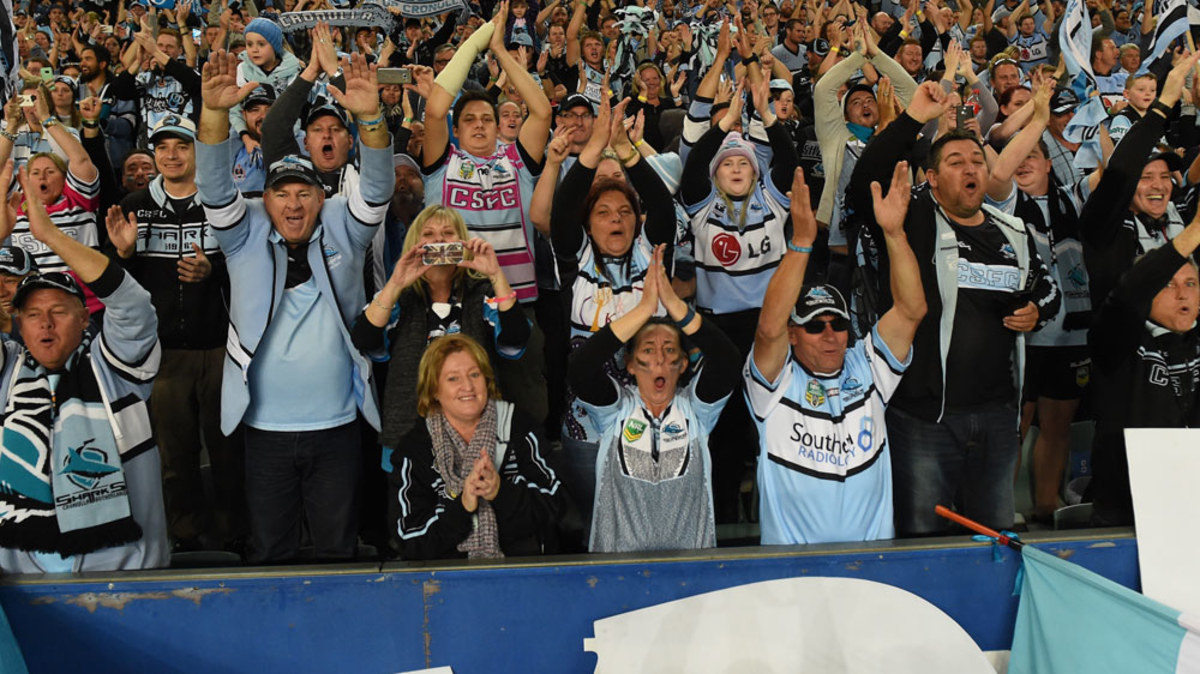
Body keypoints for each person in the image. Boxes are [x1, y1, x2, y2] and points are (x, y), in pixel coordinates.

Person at [195, 50, 394, 563]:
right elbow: (214, 186)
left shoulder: (342, 225)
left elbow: (377, 187)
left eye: (303, 192)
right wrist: (214, 115)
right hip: (265, 432)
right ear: (264, 199)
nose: (292, 204)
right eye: (280, 193)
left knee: (338, 551)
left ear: (320, 197)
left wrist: (371, 120)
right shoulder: (244, 233)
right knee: (271, 554)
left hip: (338, 427)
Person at [847, 81, 1061, 537]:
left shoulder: (1013, 231)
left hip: (997, 417)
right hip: (924, 419)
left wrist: (1036, 311)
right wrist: (912, 119)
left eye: (977, 161)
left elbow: (1049, 291)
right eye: (955, 162)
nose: (970, 169)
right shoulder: (916, 217)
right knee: (923, 543)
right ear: (931, 177)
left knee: (994, 540)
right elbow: (868, 182)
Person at [0, 163, 167, 573]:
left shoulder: (115, 368)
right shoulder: (6, 372)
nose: (45, 323)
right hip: (23, 582)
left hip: (123, 575)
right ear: (19, 322)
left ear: (83, 318)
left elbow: (132, 305)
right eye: (32, 314)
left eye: (58, 311)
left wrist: (50, 236)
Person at [749, 164, 925, 545]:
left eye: (838, 324)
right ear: (793, 334)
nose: (829, 335)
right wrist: (801, 243)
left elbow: (911, 311)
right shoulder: (774, 382)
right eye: (815, 326)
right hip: (794, 571)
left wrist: (895, 234)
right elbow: (768, 328)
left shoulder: (867, 367)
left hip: (870, 566)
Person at [106, 115, 243, 554]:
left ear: (197, 151)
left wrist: (212, 271)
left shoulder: (222, 201)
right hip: (162, 352)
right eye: (162, 147)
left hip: (219, 347)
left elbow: (249, 265)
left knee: (227, 448)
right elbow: (116, 285)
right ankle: (184, 535)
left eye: (181, 146)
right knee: (174, 454)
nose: (171, 155)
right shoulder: (134, 204)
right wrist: (124, 254)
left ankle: (235, 533)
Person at [568, 247, 741, 552]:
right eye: (648, 349)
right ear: (630, 365)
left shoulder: (696, 411)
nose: (660, 358)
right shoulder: (616, 411)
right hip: (618, 570)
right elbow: (580, 368)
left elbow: (728, 360)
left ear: (683, 364)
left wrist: (674, 305)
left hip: (690, 571)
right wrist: (644, 309)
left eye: (670, 349)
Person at [351, 205, 531, 459]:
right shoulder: (399, 296)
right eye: (428, 234)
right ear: (414, 243)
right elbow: (363, 339)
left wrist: (495, 274)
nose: (438, 240)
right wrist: (396, 283)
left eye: (448, 233)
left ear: (462, 241)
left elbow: (517, 339)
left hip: (475, 434)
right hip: (406, 434)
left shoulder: (482, 292)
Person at [389, 333, 563, 560]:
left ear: (487, 380)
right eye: (453, 378)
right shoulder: (414, 449)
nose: (468, 386)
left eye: (474, 374)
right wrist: (463, 506)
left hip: (521, 566)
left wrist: (499, 492)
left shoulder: (520, 427)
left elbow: (555, 506)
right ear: (433, 390)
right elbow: (409, 540)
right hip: (444, 575)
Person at [1086, 211, 1200, 526]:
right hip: (1126, 511)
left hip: (1190, 504)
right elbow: (1128, 292)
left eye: (1191, 283)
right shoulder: (1117, 340)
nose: (1182, 293)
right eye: (1167, 284)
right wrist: (1194, 231)